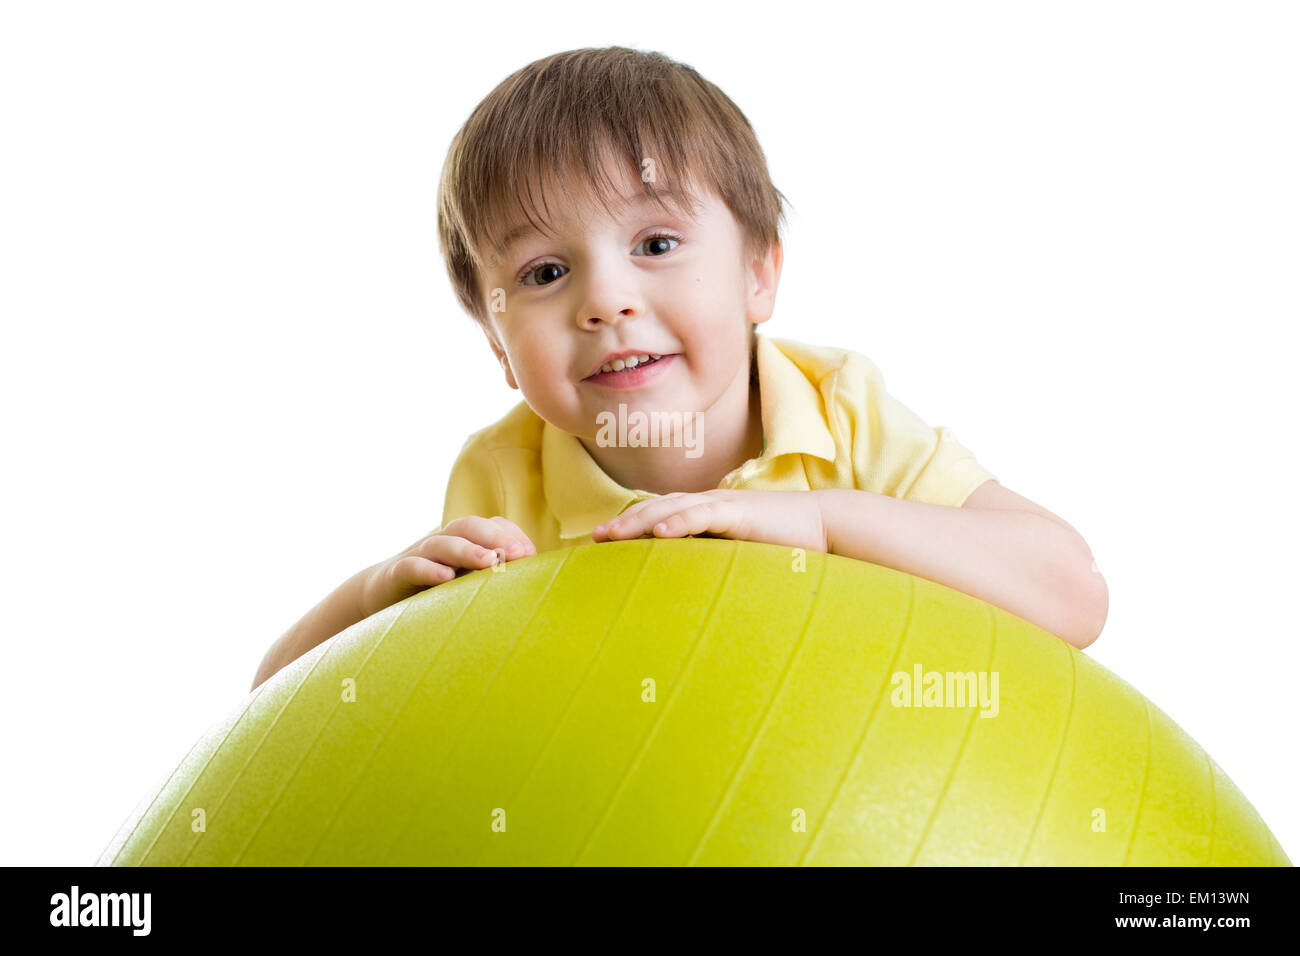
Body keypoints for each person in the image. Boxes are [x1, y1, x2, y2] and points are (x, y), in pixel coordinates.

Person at [251, 46, 1107, 692]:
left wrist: (825, 523)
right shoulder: (504, 481)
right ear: (498, 345)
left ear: (759, 274)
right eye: (545, 274)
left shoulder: (843, 414)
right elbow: (271, 706)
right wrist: (372, 598)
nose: (606, 299)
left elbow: (1073, 593)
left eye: (656, 244)